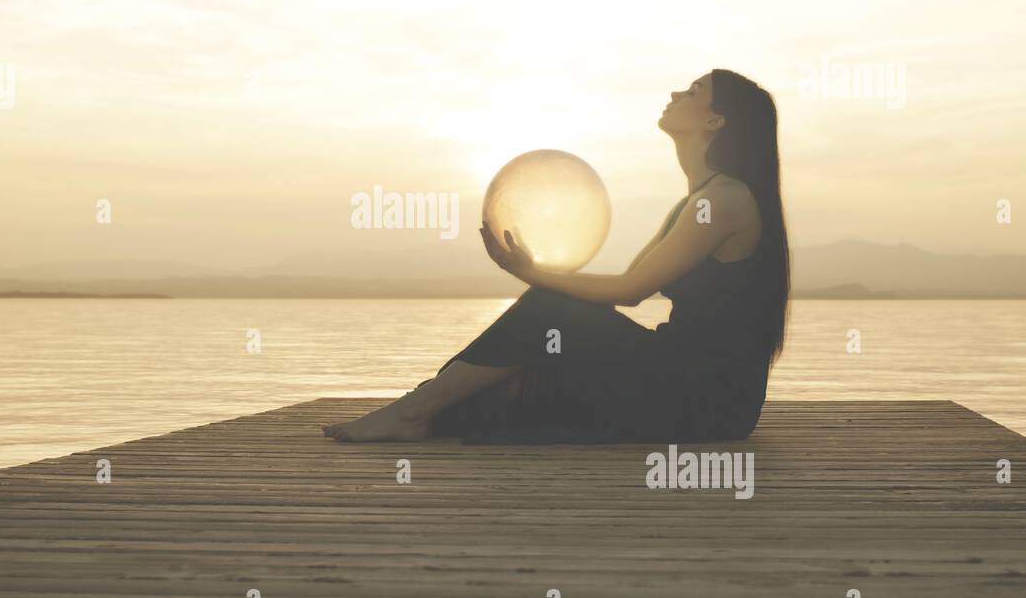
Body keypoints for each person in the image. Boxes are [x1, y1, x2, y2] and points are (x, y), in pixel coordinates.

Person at [324, 69, 790, 444]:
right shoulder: (704, 199)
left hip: (703, 400)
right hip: (681, 380)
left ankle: (411, 411)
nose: (676, 92)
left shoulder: (724, 200)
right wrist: (540, 280)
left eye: (693, 91)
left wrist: (531, 274)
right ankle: (422, 408)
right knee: (502, 390)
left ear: (716, 121)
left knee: (552, 309)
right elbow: (629, 282)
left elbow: (630, 291)